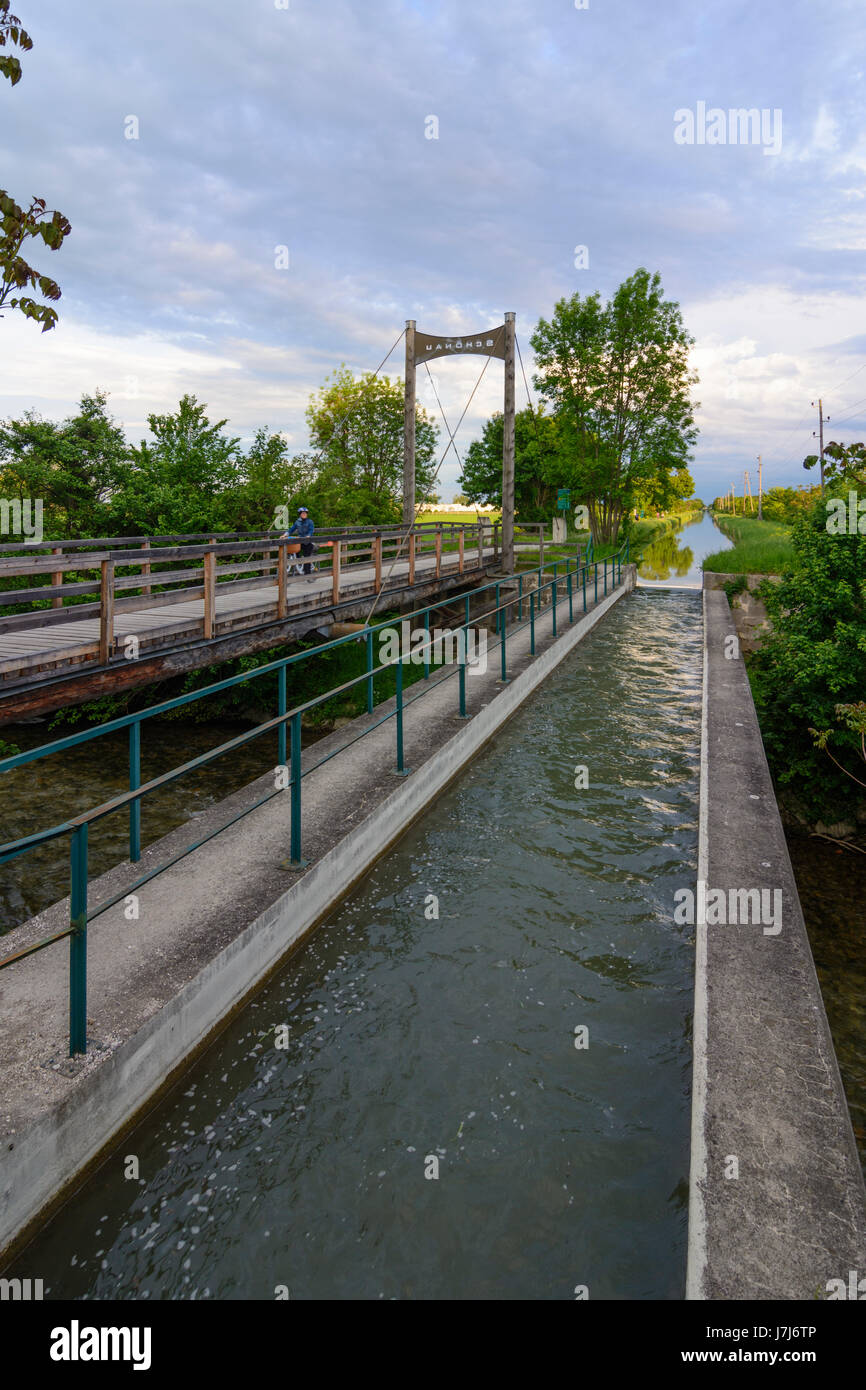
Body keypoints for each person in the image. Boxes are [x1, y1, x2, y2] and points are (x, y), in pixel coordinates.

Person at [284, 506, 315, 579]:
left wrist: (308, 536)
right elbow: (291, 530)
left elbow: (311, 530)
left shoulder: (310, 521)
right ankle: (299, 565)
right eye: (302, 513)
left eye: (305, 513)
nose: (304, 514)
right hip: (300, 541)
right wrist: (285, 535)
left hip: (308, 542)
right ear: (300, 514)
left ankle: (308, 575)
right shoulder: (297, 522)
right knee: (295, 551)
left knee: (306, 557)